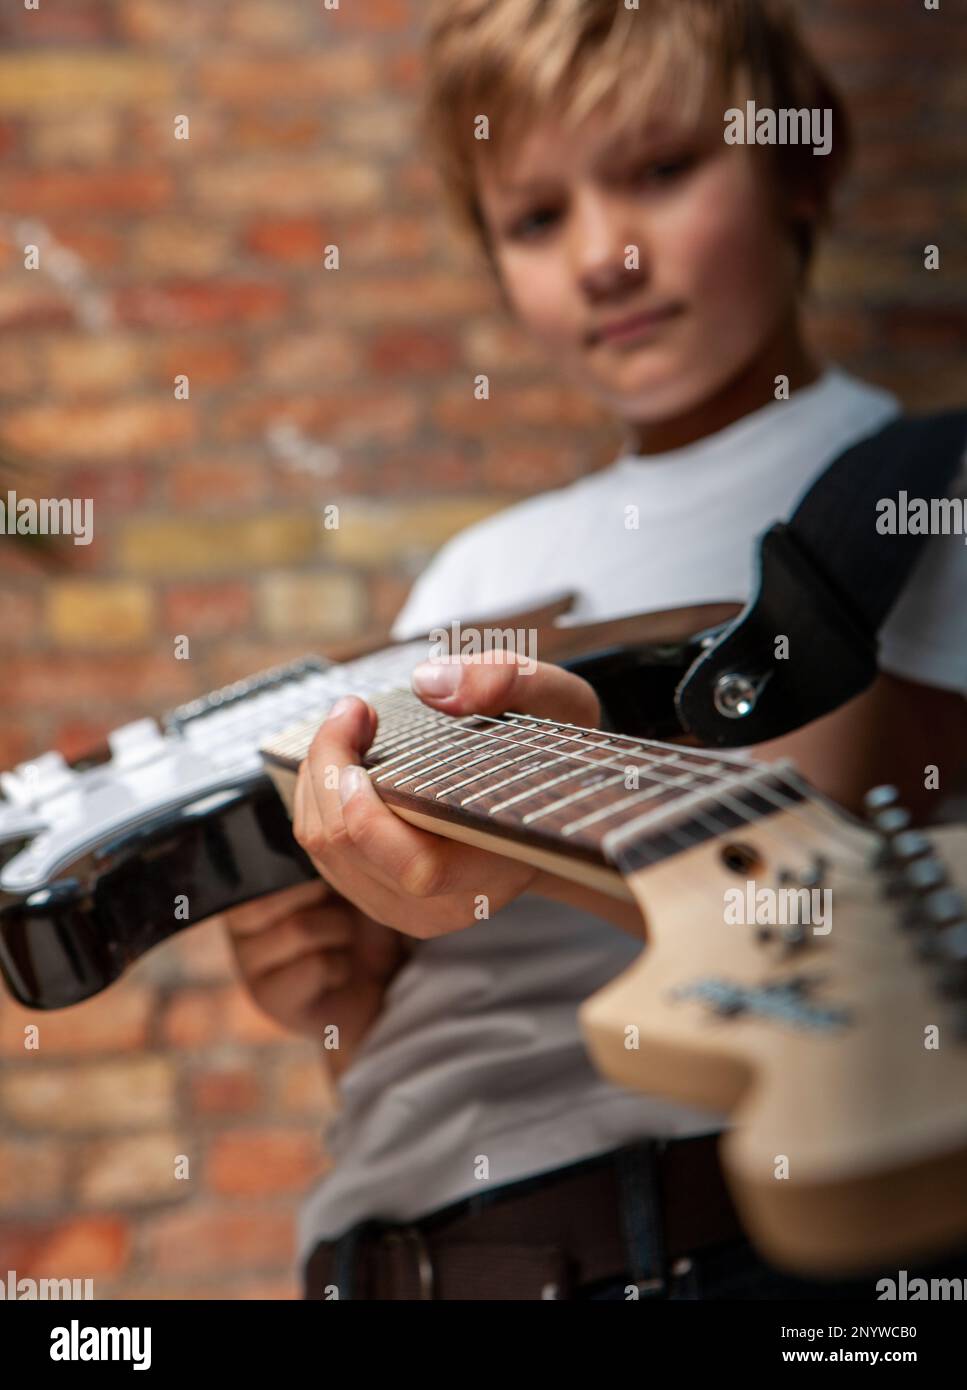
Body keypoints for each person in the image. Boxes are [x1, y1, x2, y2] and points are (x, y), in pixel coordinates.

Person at [220, 0, 967, 1299]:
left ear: (806, 159)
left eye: (664, 171)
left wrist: (542, 835)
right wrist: (335, 988)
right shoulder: (473, 576)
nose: (605, 258)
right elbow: (417, 1047)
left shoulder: (925, 493)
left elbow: (874, 876)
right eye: (536, 218)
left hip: (718, 1229)